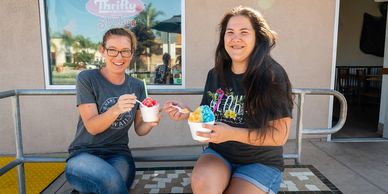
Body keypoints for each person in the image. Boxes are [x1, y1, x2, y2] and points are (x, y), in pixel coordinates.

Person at [164, 6, 293, 194]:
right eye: (229, 32)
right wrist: (188, 114)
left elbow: (280, 135)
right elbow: (207, 117)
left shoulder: (272, 75)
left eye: (244, 32)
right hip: (220, 153)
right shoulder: (215, 75)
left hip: (260, 161)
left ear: (258, 37)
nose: (235, 38)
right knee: (202, 184)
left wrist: (232, 133)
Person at [65, 28, 161, 194]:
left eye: (125, 51)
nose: (119, 57)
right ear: (102, 50)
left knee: (111, 184)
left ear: (131, 54)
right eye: (112, 50)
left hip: (118, 154)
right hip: (83, 154)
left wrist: (152, 121)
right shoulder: (87, 78)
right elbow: (93, 127)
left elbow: (140, 129)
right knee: (110, 181)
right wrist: (116, 109)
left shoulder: (137, 86)